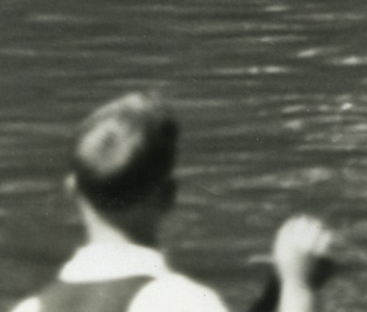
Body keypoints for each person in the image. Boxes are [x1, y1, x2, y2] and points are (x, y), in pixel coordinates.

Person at [12, 93, 336, 312]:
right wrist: (298, 287)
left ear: (72, 190)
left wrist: (275, 295)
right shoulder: (179, 301)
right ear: (168, 195)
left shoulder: (30, 308)